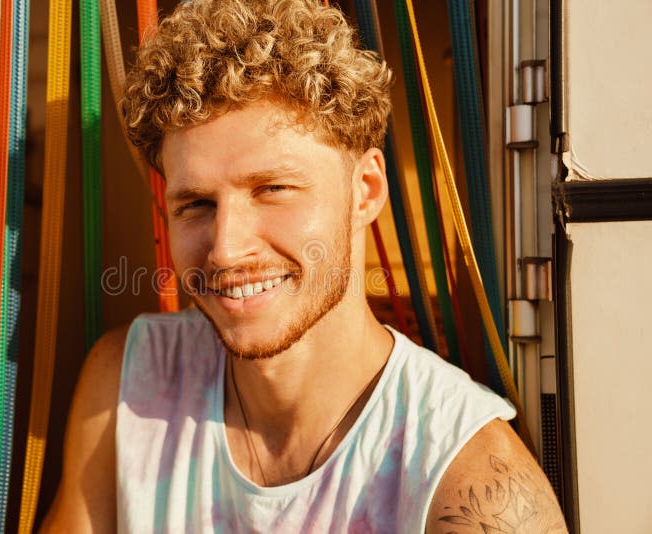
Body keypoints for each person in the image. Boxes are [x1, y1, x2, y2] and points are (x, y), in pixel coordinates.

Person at [41, 0, 567, 531]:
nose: (226, 250)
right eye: (196, 203)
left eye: (273, 189)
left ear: (365, 191)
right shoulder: (128, 385)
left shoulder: (471, 488)